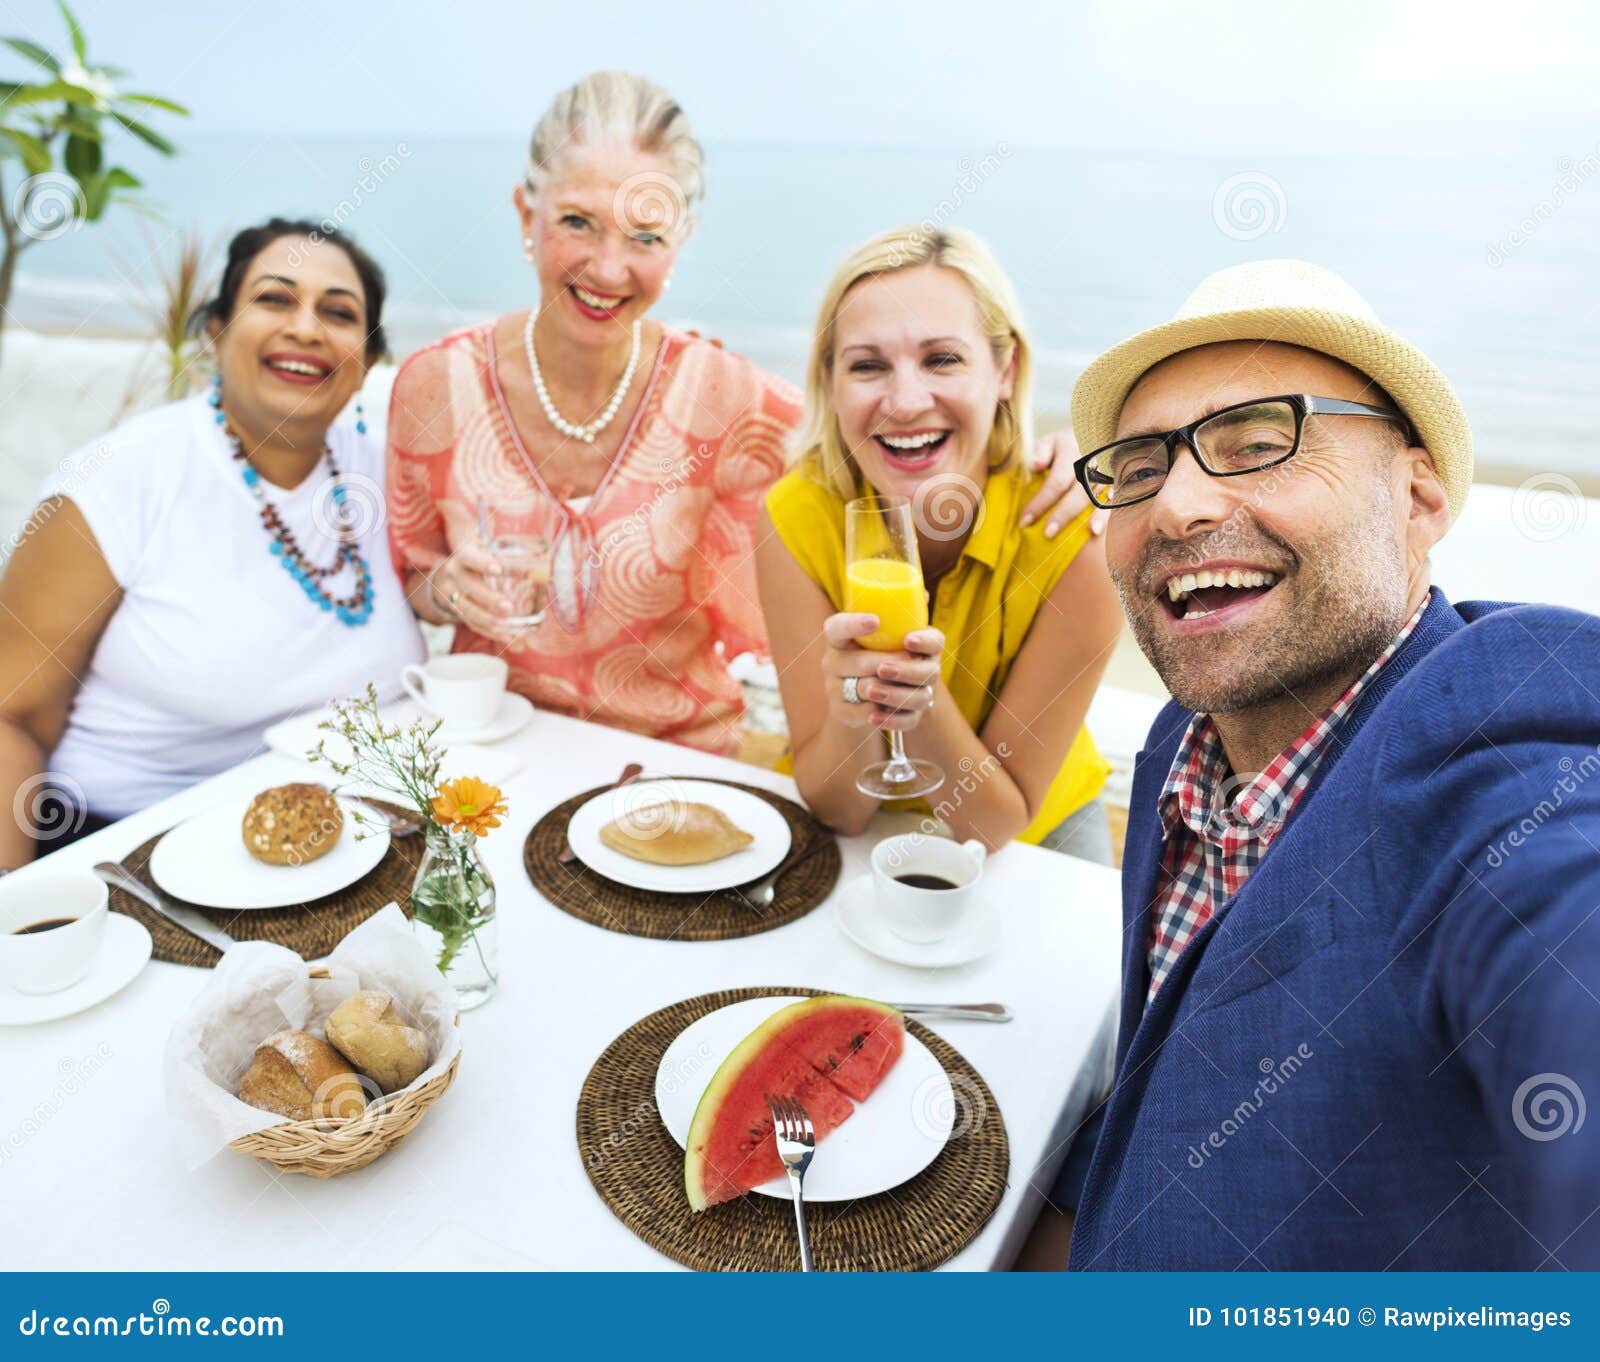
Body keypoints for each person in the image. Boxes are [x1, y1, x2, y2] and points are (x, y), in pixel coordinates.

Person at [1058, 259, 1600, 1269]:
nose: (1175, 505)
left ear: (1419, 497)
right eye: (1135, 470)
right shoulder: (1181, 740)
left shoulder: (1500, 755)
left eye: (1259, 442)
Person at [388, 71, 1095, 759]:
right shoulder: (433, 385)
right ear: (526, 215)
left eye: (645, 236)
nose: (607, 268)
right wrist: (448, 589)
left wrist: (1064, 450)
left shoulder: (730, 399)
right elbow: (411, 582)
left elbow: (895, 433)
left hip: (678, 766)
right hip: (494, 753)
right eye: (578, 222)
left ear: (682, 239)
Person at [0, 219, 425, 867]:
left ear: (368, 360)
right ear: (218, 330)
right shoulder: (117, 481)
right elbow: (10, 717)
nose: (306, 328)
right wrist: (17, 903)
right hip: (127, 850)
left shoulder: (387, 473)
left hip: (340, 840)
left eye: (338, 313)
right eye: (274, 299)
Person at [757, 226, 1122, 855]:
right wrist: (853, 716)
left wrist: (915, 701)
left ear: (1005, 370)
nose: (904, 402)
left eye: (942, 359)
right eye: (868, 366)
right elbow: (840, 809)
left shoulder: (1076, 534)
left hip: (1036, 834)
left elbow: (994, 823)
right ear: (830, 382)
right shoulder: (798, 516)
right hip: (866, 829)